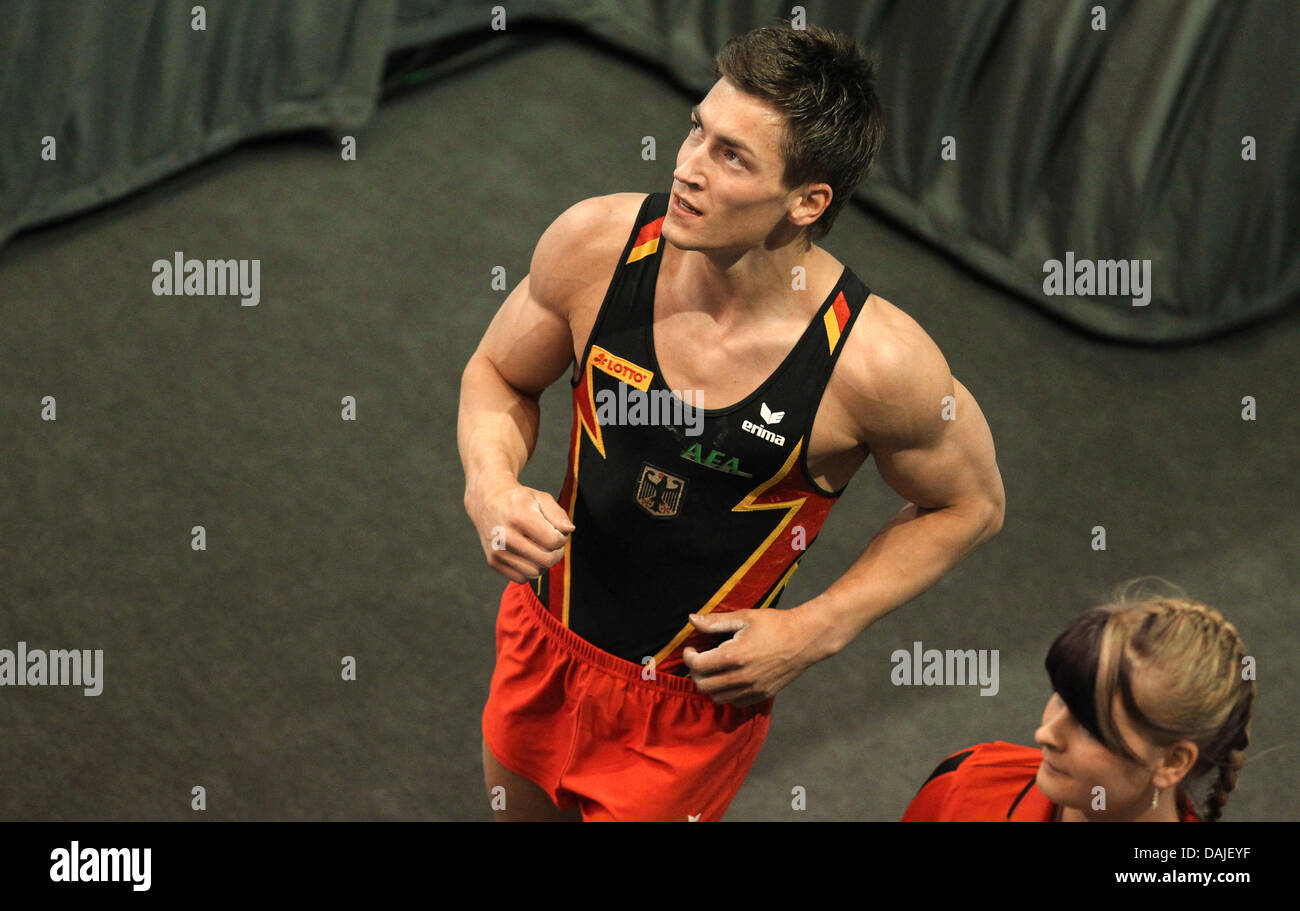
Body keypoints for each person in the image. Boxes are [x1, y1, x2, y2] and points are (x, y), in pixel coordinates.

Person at [459, 21, 1005, 821]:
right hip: (544, 642)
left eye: (732, 157)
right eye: (697, 131)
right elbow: (499, 373)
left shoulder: (874, 363)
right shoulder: (596, 245)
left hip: (686, 711)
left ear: (807, 201)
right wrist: (490, 485)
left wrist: (817, 630)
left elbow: (972, 506)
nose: (686, 169)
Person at [902, 584, 1255, 822]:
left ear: (1172, 762)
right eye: (1062, 699)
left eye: (1089, 726)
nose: (1045, 734)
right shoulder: (961, 789)